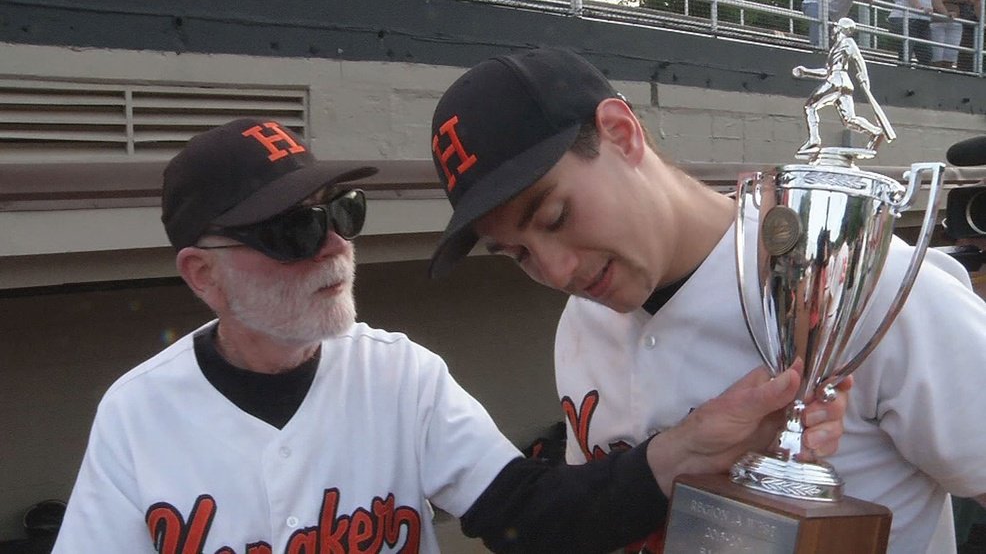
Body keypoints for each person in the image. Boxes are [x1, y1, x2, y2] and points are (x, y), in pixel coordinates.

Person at [52, 118, 848, 553]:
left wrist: (691, 445)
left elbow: (529, 514)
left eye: (341, 214)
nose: (335, 247)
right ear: (202, 274)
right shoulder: (138, 414)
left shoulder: (402, 377)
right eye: (293, 232)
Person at [428, 47, 986, 553]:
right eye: (518, 255)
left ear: (622, 134)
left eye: (555, 216)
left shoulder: (863, 281)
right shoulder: (578, 326)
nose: (555, 270)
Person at [792, 17, 892, 154]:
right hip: (841, 82)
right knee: (849, 120)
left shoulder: (847, 42)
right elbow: (826, 72)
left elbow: (858, 60)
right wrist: (806, 72)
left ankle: (814, 139)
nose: (833, 29)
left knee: (810, 106)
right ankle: (875, 132)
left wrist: (864, 78)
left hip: (836, 81)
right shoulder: (836, 47)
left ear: (840, 28)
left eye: (835, 27)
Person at [887, 0, 948, 64]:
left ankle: (918, 71)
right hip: (906, 17)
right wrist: (920, 8)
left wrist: (946, 14)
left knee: (926, 55)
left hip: (923, 20)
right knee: (907, 51)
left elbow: (935, 1)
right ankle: (903, 69)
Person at [930, 0, 964, 68]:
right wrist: (947, 14)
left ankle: (945, 76)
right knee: (936, 57)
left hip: (956, 23)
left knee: (950, 56)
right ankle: (933, 75)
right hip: (937, 22)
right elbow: (935, 1)